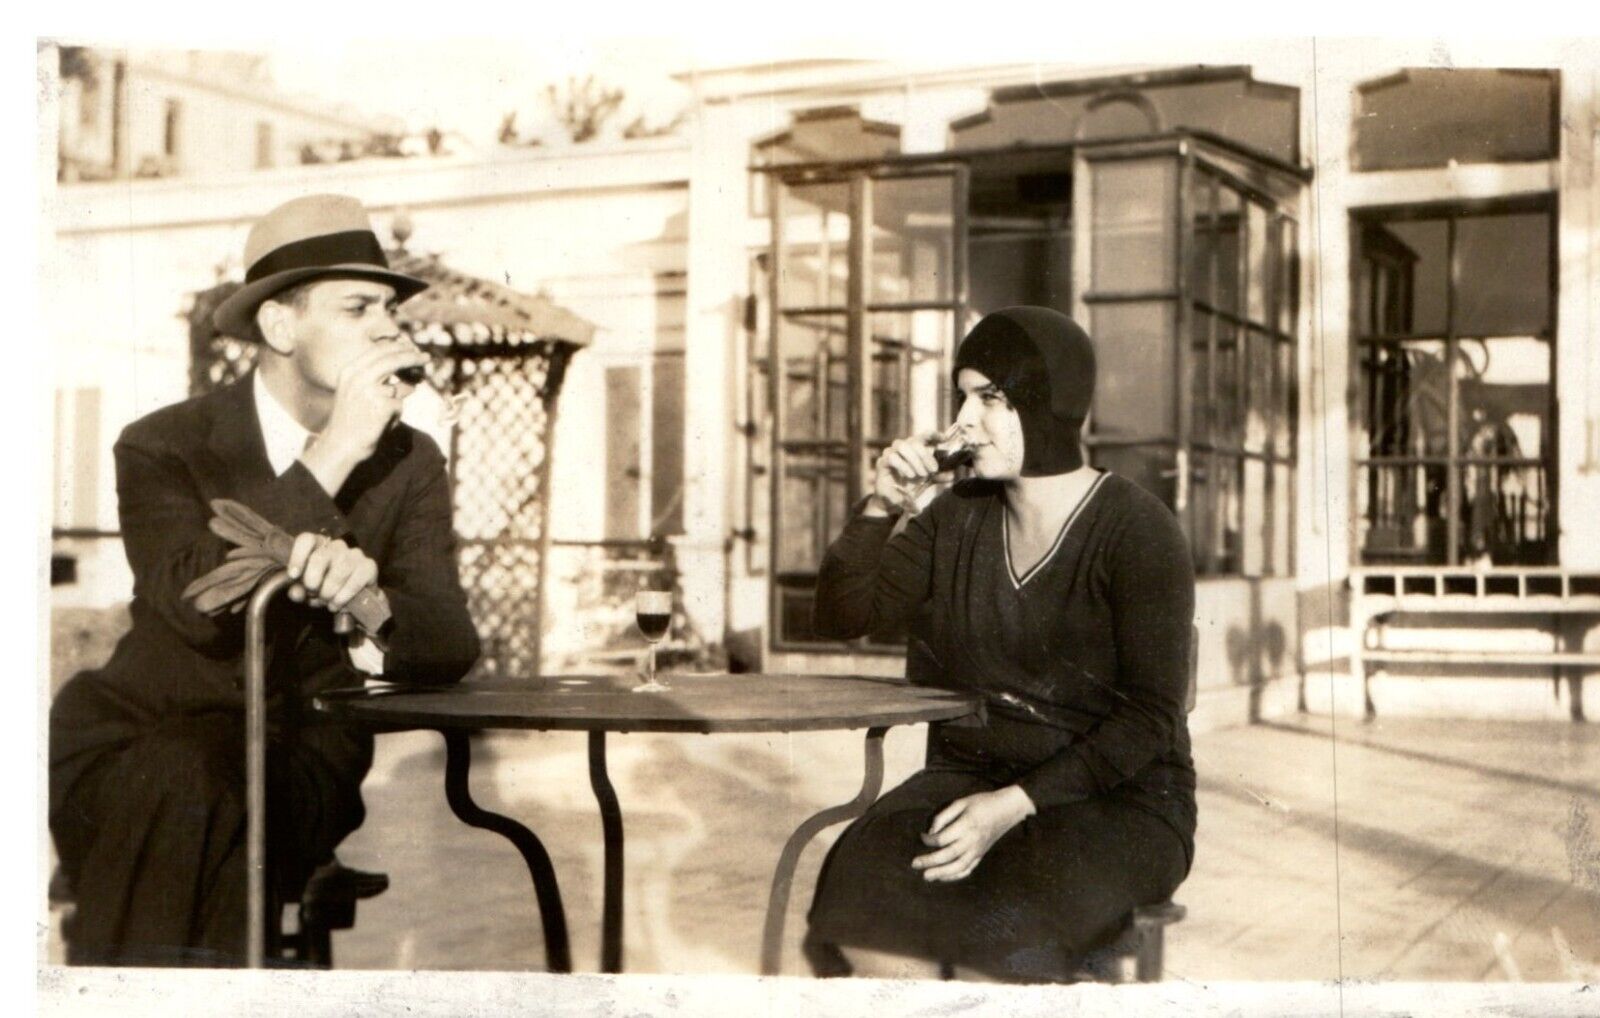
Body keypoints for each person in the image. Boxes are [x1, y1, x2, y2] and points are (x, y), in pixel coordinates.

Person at [49, 194, 482, 966]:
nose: (387, 328)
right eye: (358, 307)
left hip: (295, 753)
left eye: (389, 309)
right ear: (280, 326)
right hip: (133, 732)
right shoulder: (163, 446)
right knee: (181, 779)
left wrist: (365, 599)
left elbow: (450, 640)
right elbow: (197, 607)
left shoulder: (410, 461)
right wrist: (335, 452)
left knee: (197, 788)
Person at [802, 306, 1196, 982]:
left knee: (1012, 917)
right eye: (962, 397)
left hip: (1118, 799)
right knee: (855, 883)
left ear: (1047, 406)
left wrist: (1013, 805)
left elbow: (1148, 718)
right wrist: (882, 505)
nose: (963, 421)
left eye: (990, 398)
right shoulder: (955, 516)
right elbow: (843, 616)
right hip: (971, 776)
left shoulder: (1137, 530)